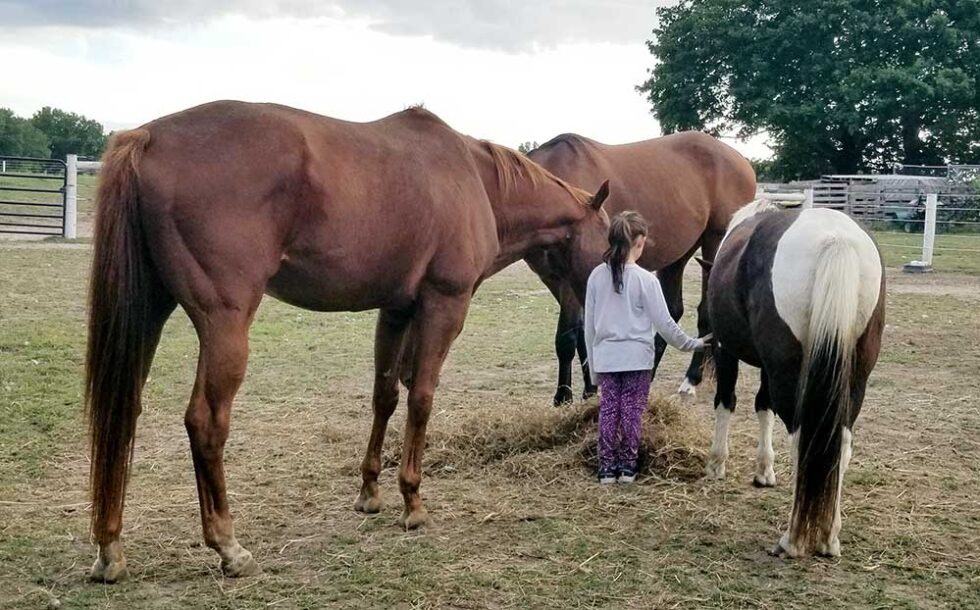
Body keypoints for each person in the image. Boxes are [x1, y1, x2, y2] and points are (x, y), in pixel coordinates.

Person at [584, 211, 709, 484]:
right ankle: (627, 467)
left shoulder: (596, 277)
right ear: (639, 241)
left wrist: (593, 368)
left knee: (608, 411)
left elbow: (589, 328)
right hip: (637, 359)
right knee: (631, 412)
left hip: (606, 358)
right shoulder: (646, 280)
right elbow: (665, 324)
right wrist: (693, 344)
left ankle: (606, 468)